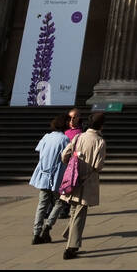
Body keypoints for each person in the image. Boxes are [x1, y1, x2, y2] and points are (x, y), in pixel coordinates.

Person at [58, 111, 107, 259]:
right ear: (101, 126)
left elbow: (64, 155)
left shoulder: (79, 136)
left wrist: (71, 165)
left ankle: (69, 235)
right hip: (86, 181)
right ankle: (71, 248)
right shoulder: (100, 141)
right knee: (79, 213)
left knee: (74, 210)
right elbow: (98, 166)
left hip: (73, 179)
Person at [29, 115, 68, 244]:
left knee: (42, 204)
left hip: (44, 174)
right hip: (56, 175)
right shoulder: (64, 139)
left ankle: (36, 232)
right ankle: (48, 226)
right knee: (60, 201)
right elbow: (66, 156)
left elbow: (39, 150)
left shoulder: (46, 137)